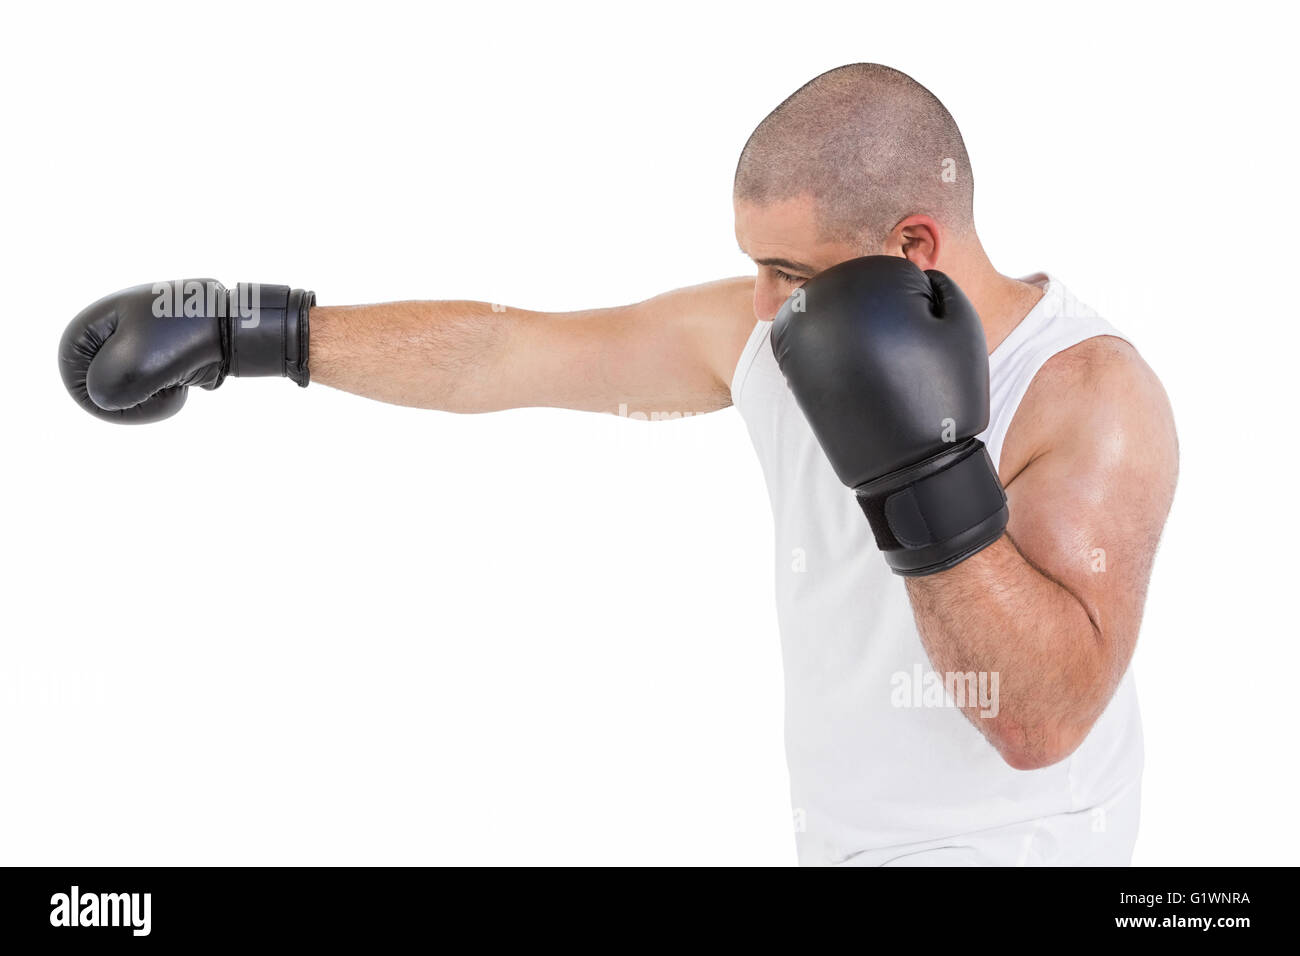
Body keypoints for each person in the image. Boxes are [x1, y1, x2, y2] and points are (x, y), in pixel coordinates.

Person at [58, 63, 1178, 866]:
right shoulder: (777, 331)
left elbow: (1038, 719)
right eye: (752, 267)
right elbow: (512, 349)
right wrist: (259, 331)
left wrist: (917, 472)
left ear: (913, 248)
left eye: (786, 270)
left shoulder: (1089, 394)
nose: (761, 308)